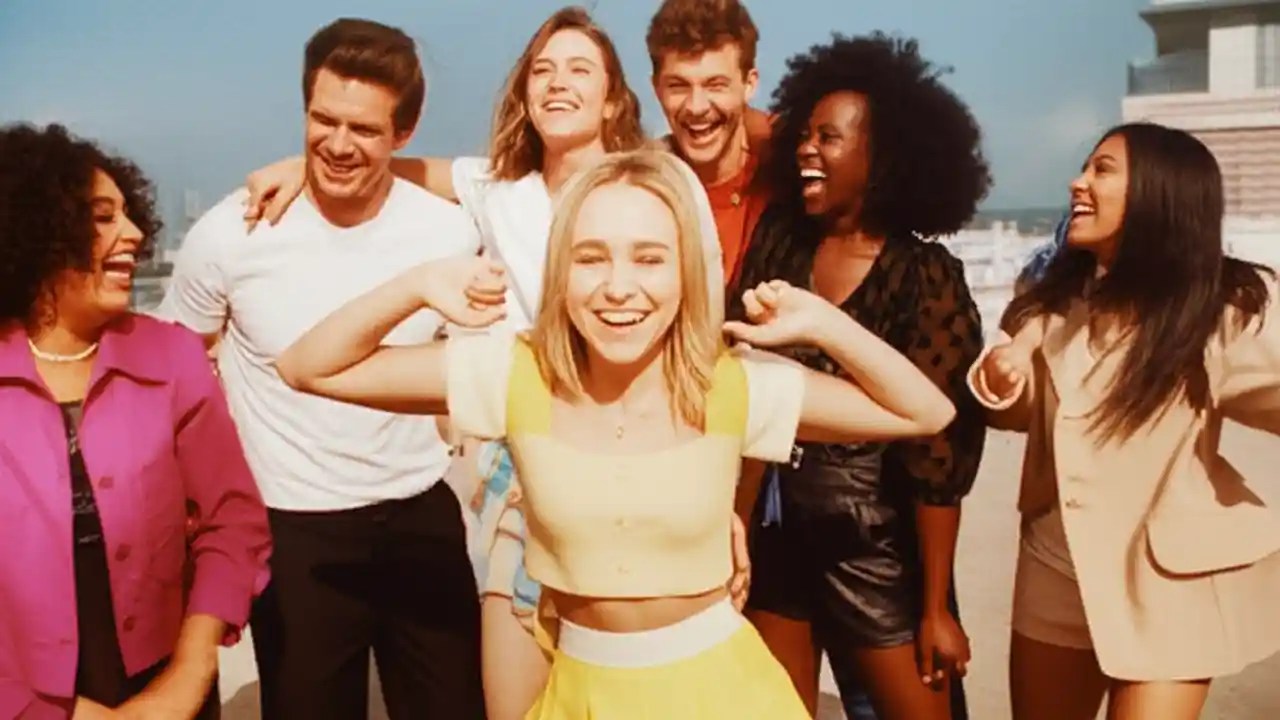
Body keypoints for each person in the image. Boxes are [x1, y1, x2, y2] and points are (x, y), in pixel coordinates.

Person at [274, 148, 957, 719]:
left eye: (649, 259)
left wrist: (818, 322)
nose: (619, 287)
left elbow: (923, 412)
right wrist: (419, 285)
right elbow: (308, 367)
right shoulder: (516, 373)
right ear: (559, 274)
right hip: (582, 695)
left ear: (685, 271)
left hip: (724, 694)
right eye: (591, 258)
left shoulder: (727, 382)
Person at [235, 9, 740, 718]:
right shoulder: (496, 189)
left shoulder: (658, 185)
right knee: (522, 686)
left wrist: (713, 490)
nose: (558, 83)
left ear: (614, 96)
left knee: (634, 670)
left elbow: (702, 335)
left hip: (647, 454)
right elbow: (394, 162)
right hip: (523, 470)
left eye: (579, 69)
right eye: (542, 69)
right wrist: (304, 162)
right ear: (524, 92)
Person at [156, 19, 486, 719]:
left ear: (404, 132)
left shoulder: (448, 233)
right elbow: (178, 367)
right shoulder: (230, 234)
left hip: (420, 510)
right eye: (322, 120)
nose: (337, 145)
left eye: (363, 129)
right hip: (292, 526)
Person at [971, 122, 1280, 720]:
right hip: (1053, 574)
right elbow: (1018, 417)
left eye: (1102, 170)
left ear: (1160, 192)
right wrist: (1005, 378)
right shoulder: (1052, 297)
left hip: (1167, 584)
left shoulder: (1221, 307)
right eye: (1085, 168)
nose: (1078, 182)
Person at [729, 34, 991, 720]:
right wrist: (737, 525)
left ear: (884, 160)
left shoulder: (925, 276)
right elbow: (744, 389)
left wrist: (935, 607)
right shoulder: (781, 242)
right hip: (778, 533)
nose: (807, 148)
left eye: (831, 137)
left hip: (878, 546)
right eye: (806, 135)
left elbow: (943, 453)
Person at [0, 123, 271, 719]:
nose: (134, 233)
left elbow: (233, 520)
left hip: (170, 695)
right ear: (35, 229)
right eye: (101, 217)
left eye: (128, 213)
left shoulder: (171, 357)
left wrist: (189, 672)